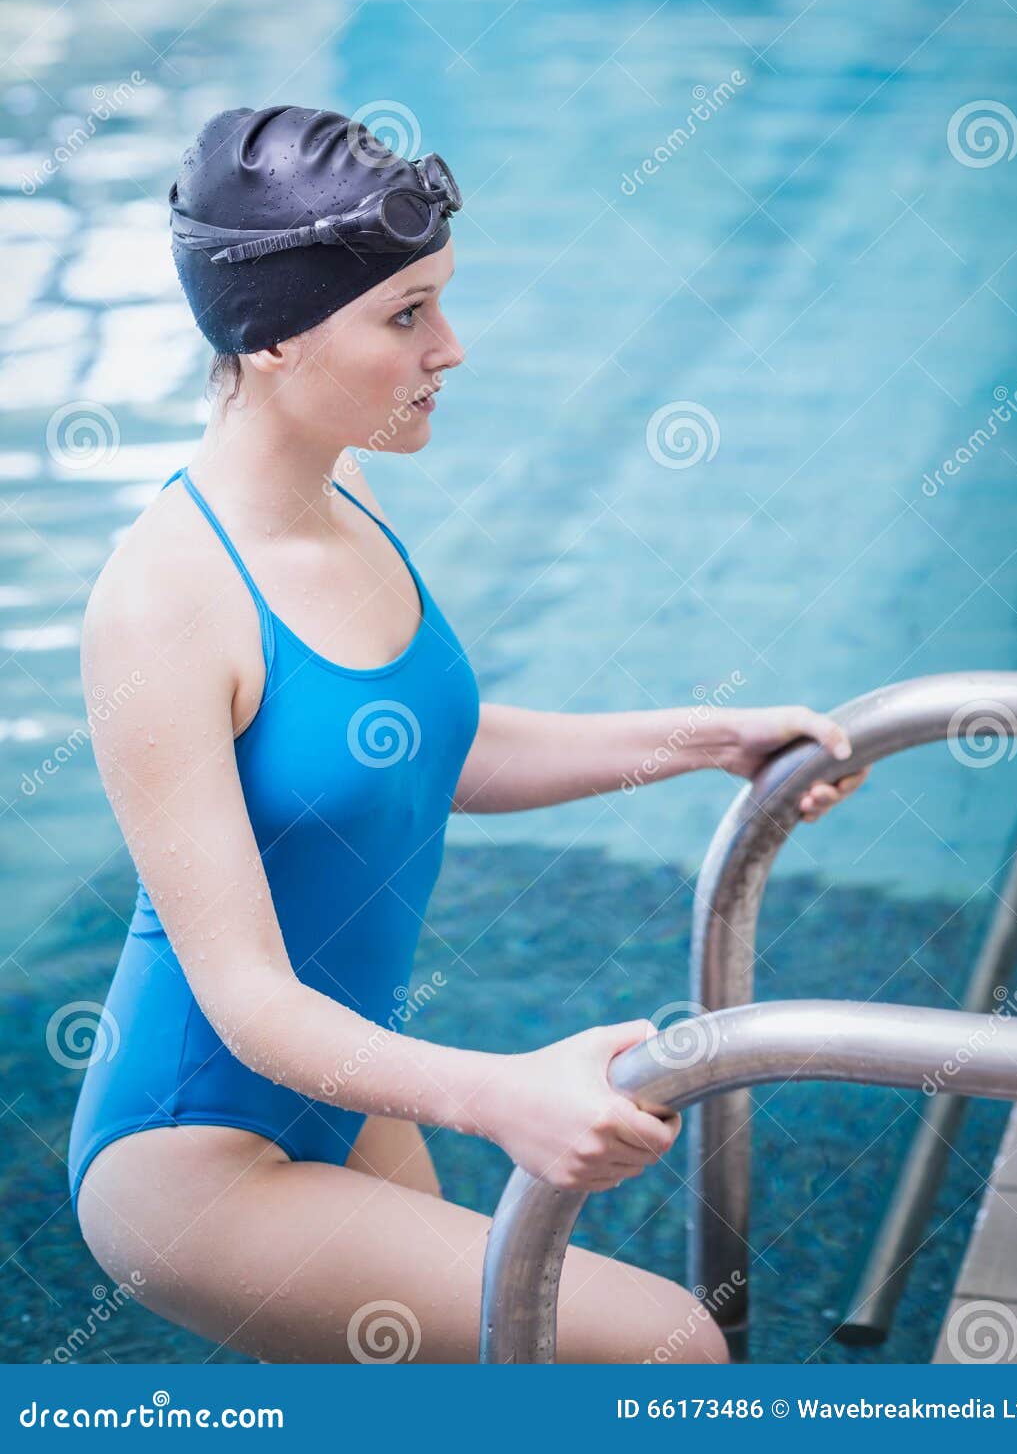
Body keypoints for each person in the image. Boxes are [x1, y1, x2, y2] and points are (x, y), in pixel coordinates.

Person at [68, 104, 869, 1365]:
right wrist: (500, 1094)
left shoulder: (346, 488)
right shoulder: (162, 603)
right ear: (271, 337)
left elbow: (431, 751)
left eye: (439, 302)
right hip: (196, 1149)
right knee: (665, 1345)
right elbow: (245, 999)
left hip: (355, 1089)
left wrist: (705, 738)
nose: (453, 347)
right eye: (405, 316)